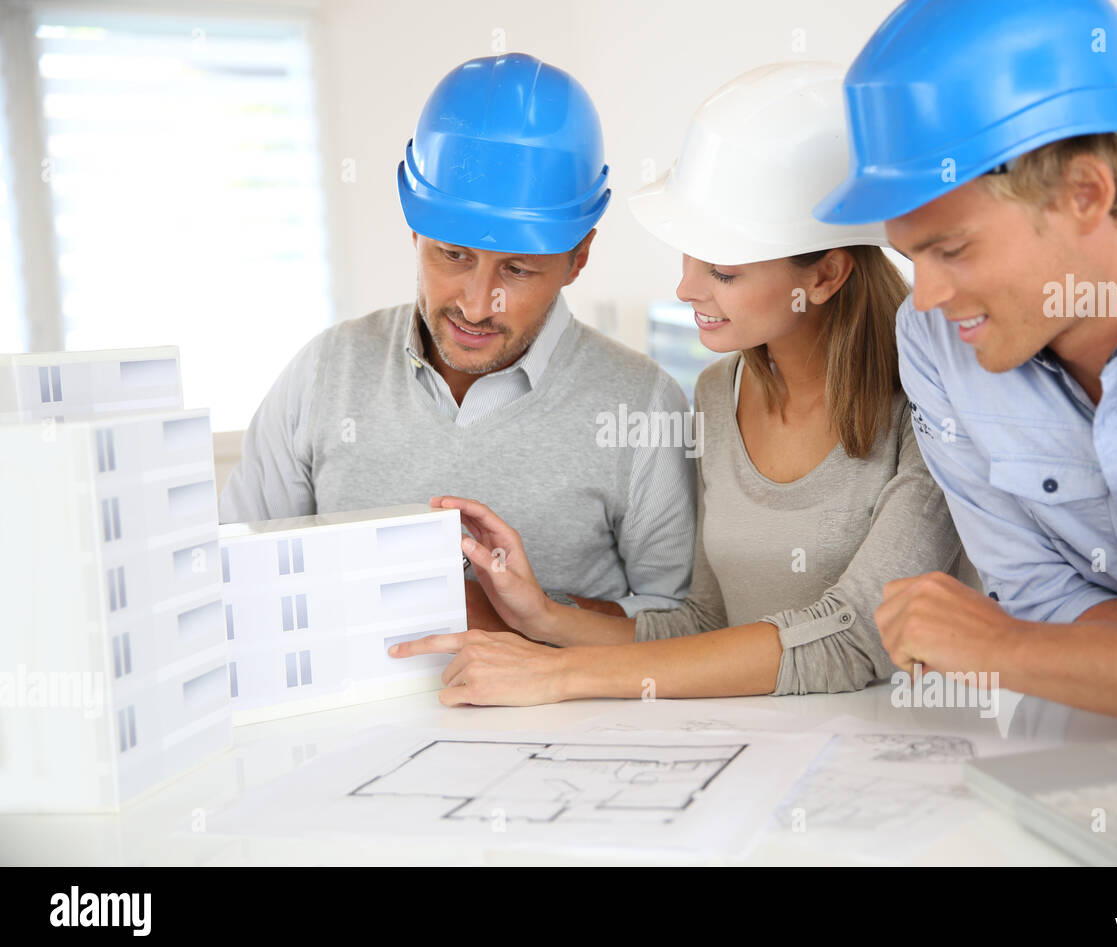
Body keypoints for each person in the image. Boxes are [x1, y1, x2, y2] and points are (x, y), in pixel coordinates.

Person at [389, 62, 978, 705]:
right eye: (688, 257)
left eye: (722, 271)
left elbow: (856, 637)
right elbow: (704, 626)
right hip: (754, 767)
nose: (685, 289)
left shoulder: (936, 398)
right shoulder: (718, 394)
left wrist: (559, 674)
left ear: (827, 275)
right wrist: (542, 620)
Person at [812, 0, 1117, 728]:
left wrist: (1003, 646)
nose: (930, 295)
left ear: (1085, 193)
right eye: (910, 256)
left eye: (952, 249)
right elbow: (1048, 599)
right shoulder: (934, 342)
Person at [219, 53, 696, 628]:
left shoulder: (643, 406)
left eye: (517, 269)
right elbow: (232, 579)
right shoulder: (324, 372)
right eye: (453, 255)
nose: (476, 304)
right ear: (414, 227)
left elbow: (685, 622)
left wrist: (521, 615)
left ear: (578, 258)